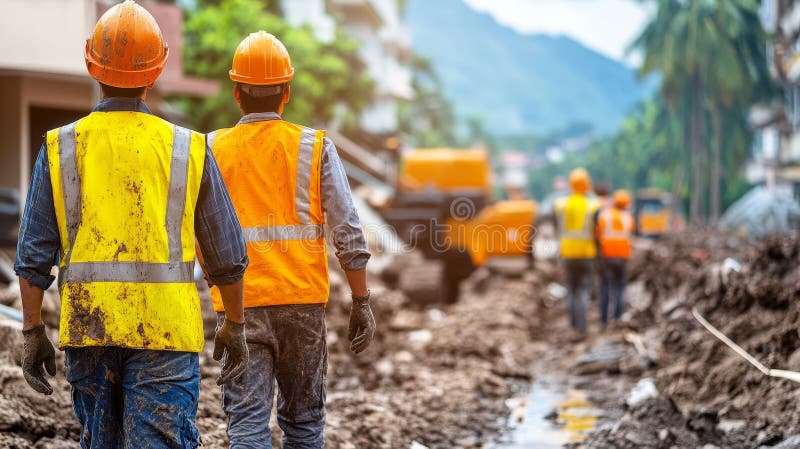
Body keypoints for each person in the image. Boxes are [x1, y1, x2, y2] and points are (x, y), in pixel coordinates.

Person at [14, 2, 250, 446]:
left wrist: (32, 332)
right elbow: (227, 255)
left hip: (90, 328)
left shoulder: (61, 146)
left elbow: (33, 257)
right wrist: (234, 323)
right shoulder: (187, 147)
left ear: (90, 63)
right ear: (156, 69)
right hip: (167, 334)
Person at [204, 31, 374, 449]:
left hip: (238, 307)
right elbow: (347, 229)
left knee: (246, 424)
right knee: (303, 423)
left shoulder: (210, 148)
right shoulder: (315, 147)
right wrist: (361, 300)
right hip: (301, 304)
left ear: (236, 93)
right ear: (287, 91)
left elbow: (196, 230)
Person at [554, 168, 599, 338]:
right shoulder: (592, 205)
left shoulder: (561, 204)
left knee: (571, 289)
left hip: (567, 253)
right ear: (587, 184)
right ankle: (582, 326)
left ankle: (573, 324)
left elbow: (557, 227)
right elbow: (597, 229)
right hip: (586, 253)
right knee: (583, 289)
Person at [596, 189, 634, 327]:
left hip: (607, 256)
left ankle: (604, 320)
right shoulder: (627, 217)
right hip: (622, 256)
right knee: (619, 287)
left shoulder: (604, 215)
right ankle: (617, 317)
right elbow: (630, 232)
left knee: (606, 287)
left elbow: (598, 233)